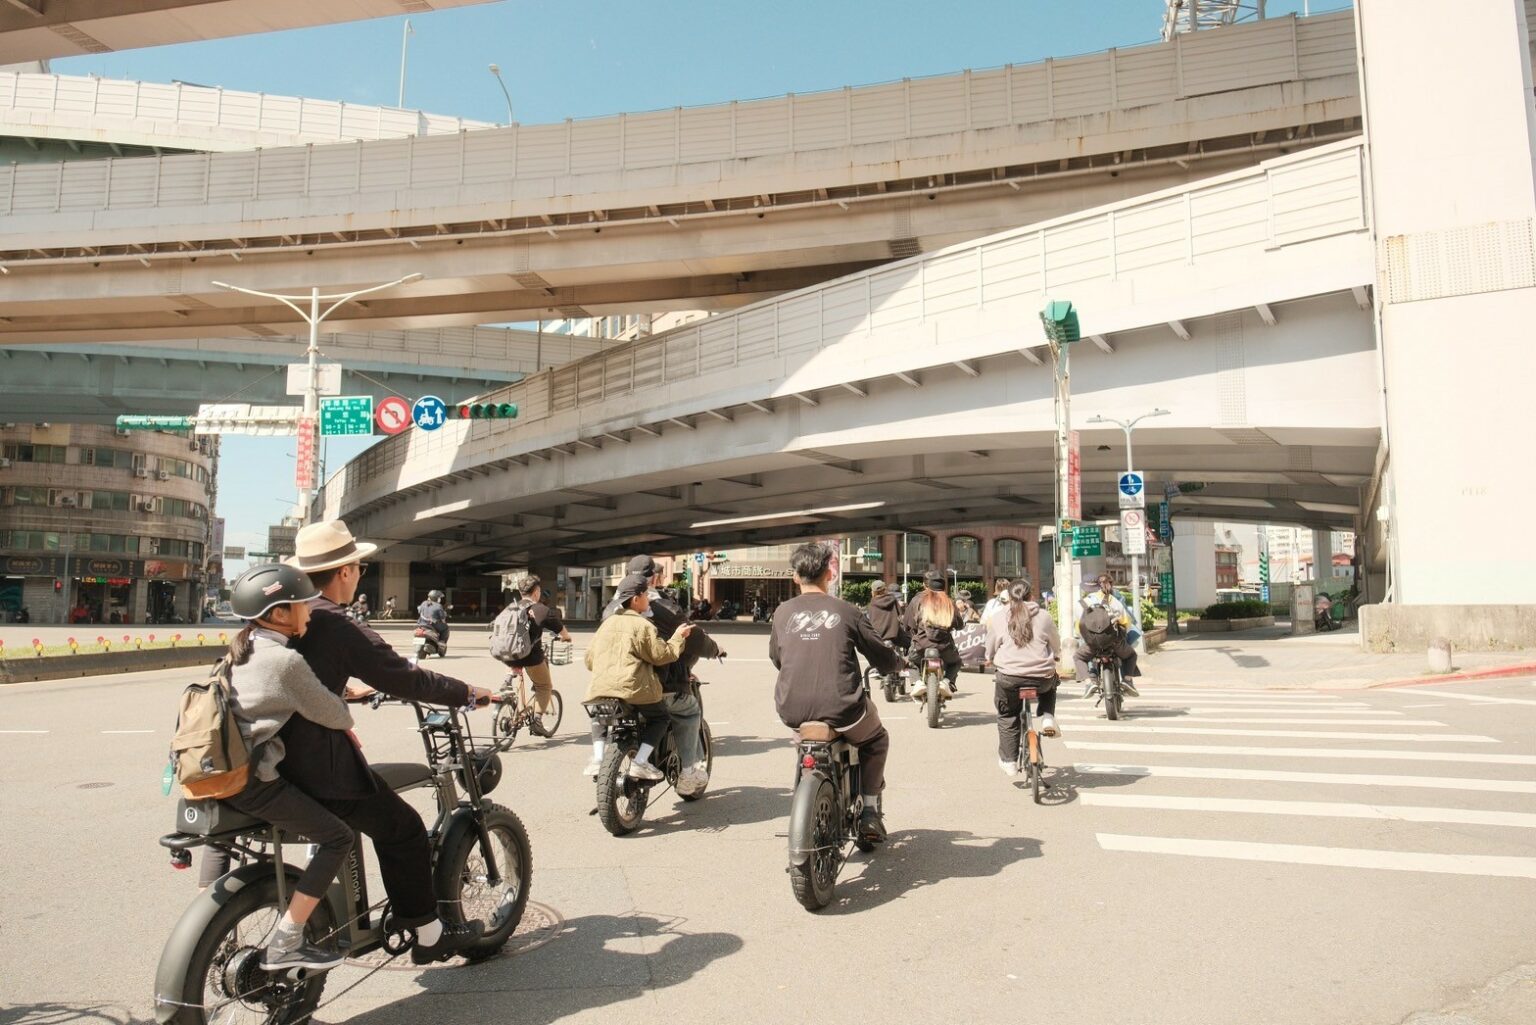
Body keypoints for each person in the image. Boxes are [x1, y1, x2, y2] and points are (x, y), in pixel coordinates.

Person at [277, 520, 494, 965]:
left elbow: (295, 675)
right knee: (403, 828)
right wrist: (470, 694)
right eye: (359, 566)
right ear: (344, 572)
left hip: (267, 759)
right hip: (313, 763)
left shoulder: (283, 612)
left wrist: (341, 690)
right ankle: (429, 934)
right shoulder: (334, 621)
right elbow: (406, 677)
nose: (361, 573)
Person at [209, 563, 359, 972]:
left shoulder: (236, 653)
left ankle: (214, 935)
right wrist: (342, 698)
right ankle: (287, 941)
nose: (310, 610)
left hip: (211, 774)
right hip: (252, 781)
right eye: (302, 604)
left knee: (222, 840)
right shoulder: (285, 660)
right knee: (338, 838)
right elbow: (337, 717)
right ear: (279, 613)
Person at [771, 542, 901, 843]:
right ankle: (869, 810)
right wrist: (898, 663)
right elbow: (881, 656)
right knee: (876, 740)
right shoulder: (847, 610)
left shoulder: (781, 613)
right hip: (843, 707)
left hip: (792, 710)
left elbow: (777, 658)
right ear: (829, 574)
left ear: (795, 576)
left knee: (803, 743)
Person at [597, 555, 722, 793]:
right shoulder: (661, 608)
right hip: (656, 685)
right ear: (653, 579)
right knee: (688, 711)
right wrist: (715, 649)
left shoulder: (610, 610)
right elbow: (690, 641)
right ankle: (688, 772)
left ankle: (597, 758)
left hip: (611, 683)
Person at [585, 572, 694, 781]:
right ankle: (641, 761)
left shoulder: (606, 624)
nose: (648, 599)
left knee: (599, 716)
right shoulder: (643, 625)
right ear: (636, 599)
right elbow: (662, 655)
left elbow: (589, 660)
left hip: (600, 688)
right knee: (660, 718)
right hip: (634, 690)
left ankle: (597, 759)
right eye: (646, 595)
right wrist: (678, 638)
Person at [985, 579, 1061, 777]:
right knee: (1052, 679)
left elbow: (991, 644)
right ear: (1031, 595)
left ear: (1009, 597)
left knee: (1007, 715)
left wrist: (989, 657)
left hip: (1009, 677)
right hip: (1041, 678)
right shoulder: (1044, 616)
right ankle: (1047, 716)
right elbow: (1055, 642)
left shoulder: (999, 617)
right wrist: (1056, 654)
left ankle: (1009, 760)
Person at [500, 572, 572, 719]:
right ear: (536, 592)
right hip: (530, 657)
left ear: (521, 592)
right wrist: (566, 637)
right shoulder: (541, 609)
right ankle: (537, 721)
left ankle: (509, 678)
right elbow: (560, 629)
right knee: (545, 686)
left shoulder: (511, 608)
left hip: (507, 653)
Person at [903, 570, 966, 699]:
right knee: (956, 662)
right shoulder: (949, 602)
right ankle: (947, 681)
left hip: (921, 646)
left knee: (911, 662)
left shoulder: (918, 600)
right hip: (945, 647)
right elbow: (959, 624)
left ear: (926, 585)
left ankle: (917, 682)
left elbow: (908, 624)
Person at [1076, 574, 1141, 697]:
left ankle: (1089, 682)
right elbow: (1126, 624)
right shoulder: (1114, 600)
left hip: (1093, 645)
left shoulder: (1082, 603)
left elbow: (1079, 628)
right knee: (1131, 655)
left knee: (1078, 657)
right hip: (1114, 642)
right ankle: (1127, 680)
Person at [864, 579, 909, 649]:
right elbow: (901, 617)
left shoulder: (871, 605)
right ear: (885, 590)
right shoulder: (892, 600)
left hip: (877, 639)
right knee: (910, 646)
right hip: (894, 637)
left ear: (873, 592)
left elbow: (868, 622)